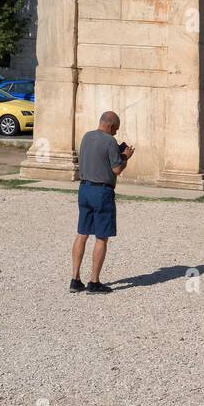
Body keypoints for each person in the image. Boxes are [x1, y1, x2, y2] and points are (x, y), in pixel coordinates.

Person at [70, 112, 134, 294]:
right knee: (101, 236)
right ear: (112, 126)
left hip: (84, 189)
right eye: (116, 130)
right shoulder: (110, 141)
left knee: (82, 233)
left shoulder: (86, 136)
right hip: (102, 191)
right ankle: (94, 281)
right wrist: (126, 156)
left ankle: (75, 279)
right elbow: (116, 169)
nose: (115, 134)